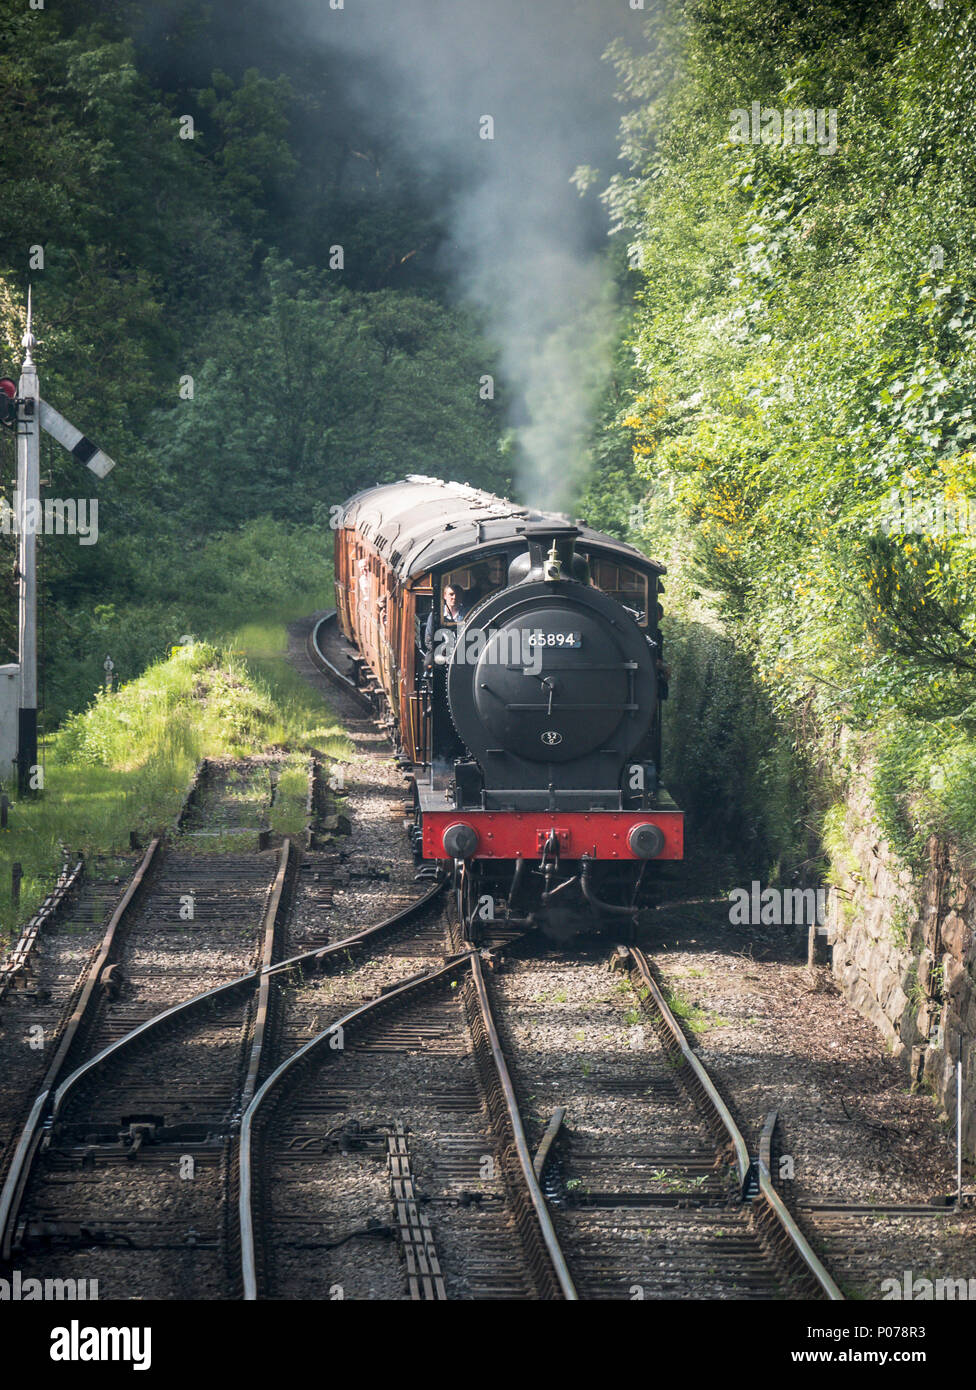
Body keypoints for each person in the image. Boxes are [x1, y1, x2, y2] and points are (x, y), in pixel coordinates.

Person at [424, 584, 467, 656]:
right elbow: (429, 639)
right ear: (444, 596)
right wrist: (441, 651)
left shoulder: (468, 613)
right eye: (451, 594)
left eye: (458, 594)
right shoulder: (435, 615)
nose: (454, 597)